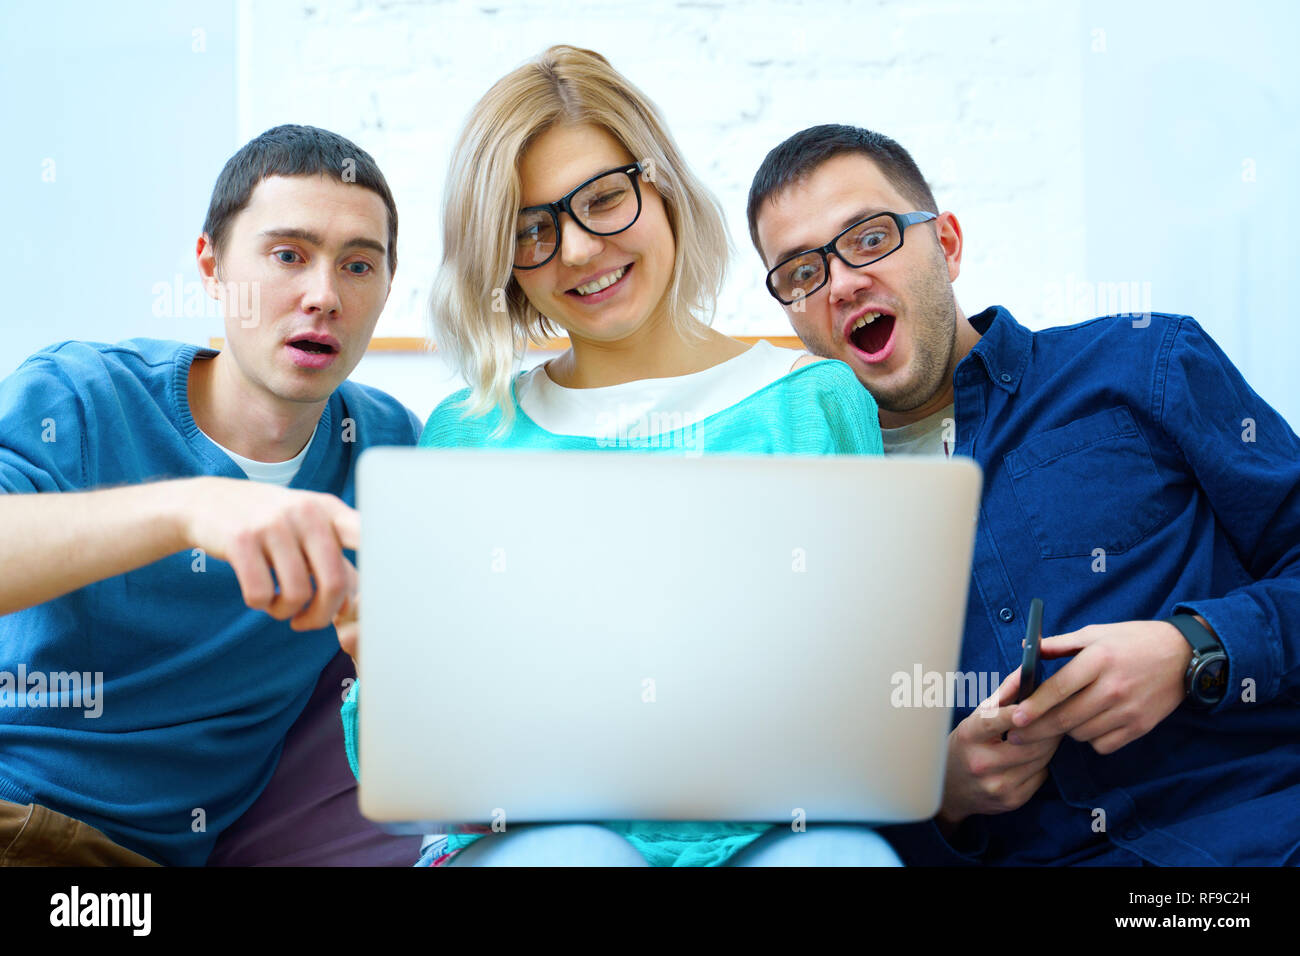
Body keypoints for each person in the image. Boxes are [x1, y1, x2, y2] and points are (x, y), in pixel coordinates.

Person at [335, 46, 900, 867]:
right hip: (536, 838)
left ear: (661, 184)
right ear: (503, 264)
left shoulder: (813, 403)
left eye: (603, 198)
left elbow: (871, 684)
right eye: (532, 228)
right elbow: (405, 765)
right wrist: (377, 660)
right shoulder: (469, 431)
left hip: (774, 830)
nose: (576, 251)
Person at [746, 123, 1300, 865]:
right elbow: (798, 788)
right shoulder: (805, 522)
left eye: (870, 239)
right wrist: (939, 794)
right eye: (801, 274)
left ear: (946, 244)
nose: (841, 282)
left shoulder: (1145, 361)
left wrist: (1192, 648)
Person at [0, 125, 423, 866]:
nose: (324, 296)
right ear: (212, 266)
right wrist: (191, 510)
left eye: (359, 266)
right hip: (18, 815)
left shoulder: (388, 446)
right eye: (288, 255)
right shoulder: (78, 398)